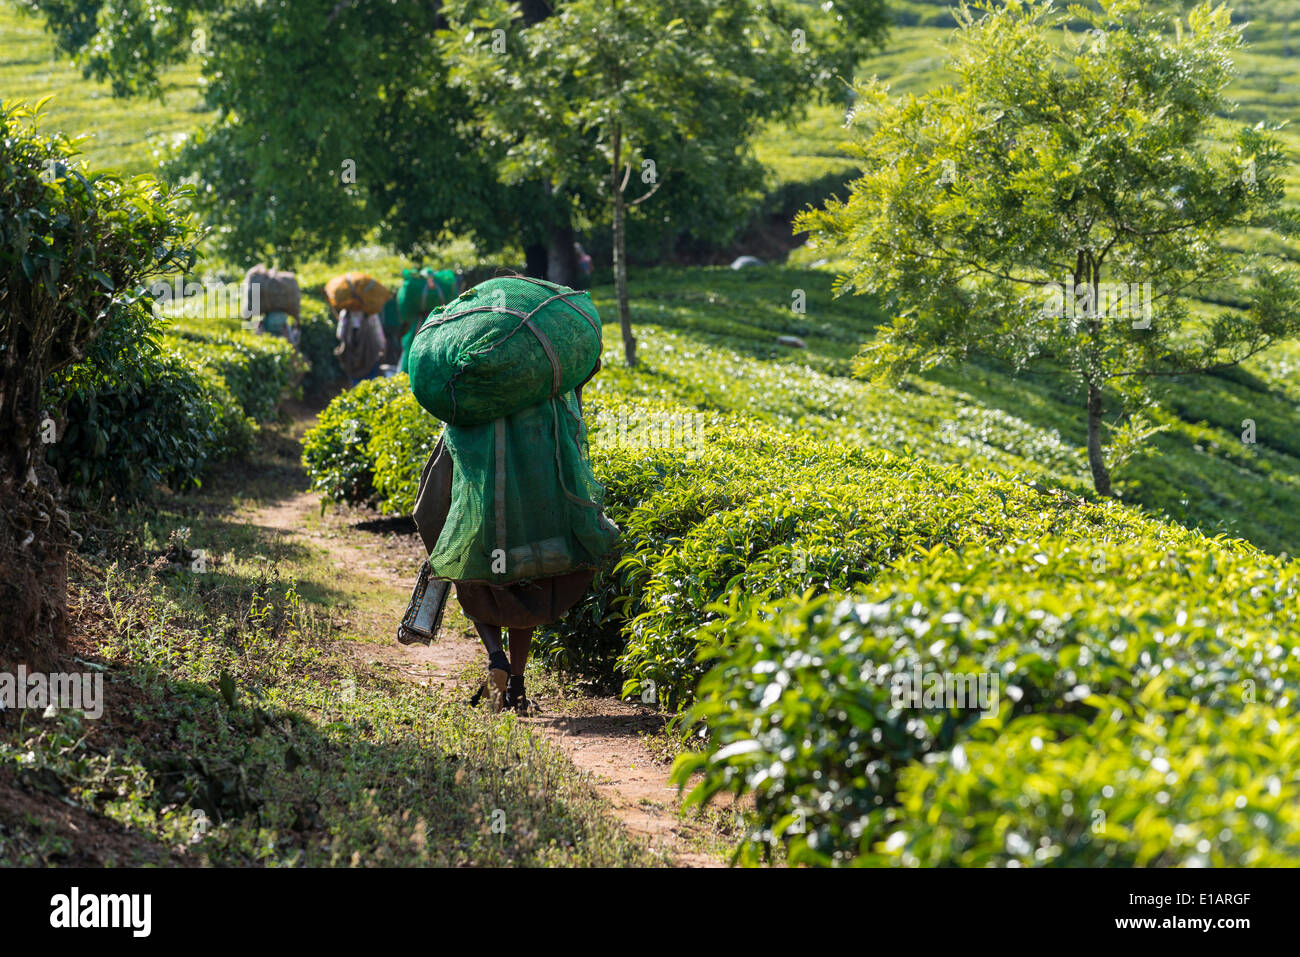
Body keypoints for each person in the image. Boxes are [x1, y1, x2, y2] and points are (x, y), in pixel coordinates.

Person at [412, 356, 609, 714]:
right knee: (527, 586)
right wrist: (582, 375)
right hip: (530, 515)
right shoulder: (539, 397)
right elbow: (569, 412)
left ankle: (495, 659)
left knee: (474, 580)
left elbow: (439, 481)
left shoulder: (472, 403)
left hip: (482, 516)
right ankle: (516, 685)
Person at [334, 308, 386, 385]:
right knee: (370, 384)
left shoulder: (345, 313)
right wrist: (382, 348)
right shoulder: (371, 313)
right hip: (369, 356)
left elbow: (340, 335)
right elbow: (379, 336)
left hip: (351, 358)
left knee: (356, 385)